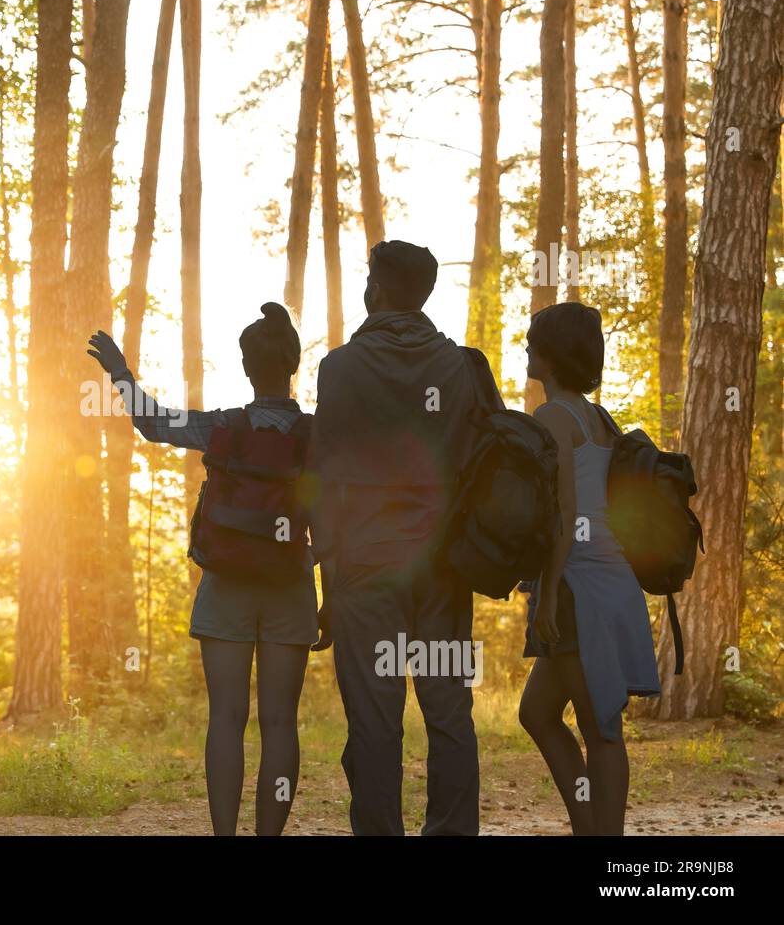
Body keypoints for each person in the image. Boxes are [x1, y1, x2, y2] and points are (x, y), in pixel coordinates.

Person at [86, 303, 317, 836]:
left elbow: (152, 423)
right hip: (290, 585)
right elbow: (334, 514)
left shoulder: (223, 428)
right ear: (293, 364)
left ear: (245, 367)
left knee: (226, 720)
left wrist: (121, 373)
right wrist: (320, 577)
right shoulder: (315, 434)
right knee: (281, 723)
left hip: (226, 583)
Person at [308, 239, 503, 836]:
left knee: (374, 720)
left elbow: (321, 480)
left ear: (381, 290)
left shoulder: (339, 369)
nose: (365, 287)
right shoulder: (466, 367)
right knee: (449, 714)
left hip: (365, 571)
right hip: (444, 569)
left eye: (369, 278)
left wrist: (325, 582)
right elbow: (493, 462)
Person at [518, 301, 660, 836]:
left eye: (533, 341)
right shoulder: (600, 417)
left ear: (552, 356)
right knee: (538, 713)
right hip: (609, 580)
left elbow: (565, 512)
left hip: (580, 584)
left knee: (601, 727)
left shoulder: (554, 416)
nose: (526, 348)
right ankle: (590, 827)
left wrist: (549, 593)